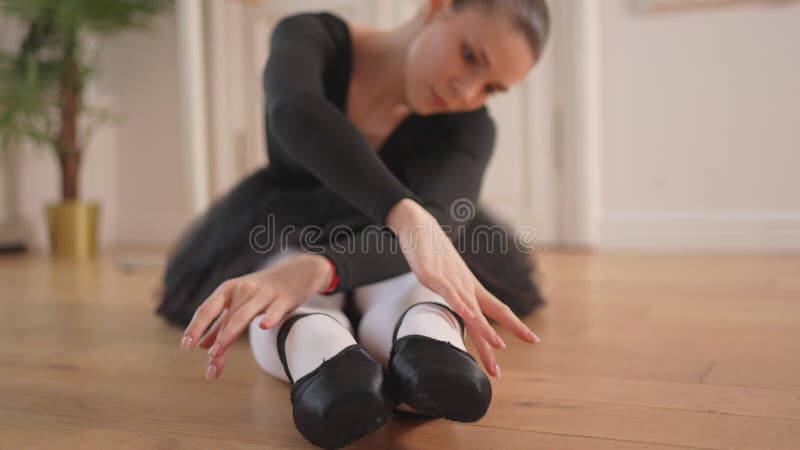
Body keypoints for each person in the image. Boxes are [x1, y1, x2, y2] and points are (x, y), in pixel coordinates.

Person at [159, 0, 550, 447]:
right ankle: (322, 356)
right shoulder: (310, 37)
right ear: (437, 7)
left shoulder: (471, 128)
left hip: (388, 250)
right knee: (285, 281)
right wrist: (403, 212)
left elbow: (432, 235)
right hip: (290, 218)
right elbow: (293, 108)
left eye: (491, 87)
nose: (467, 91)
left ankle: (426, 340)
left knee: (417, 274)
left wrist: (321, 268)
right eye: (469, 56)